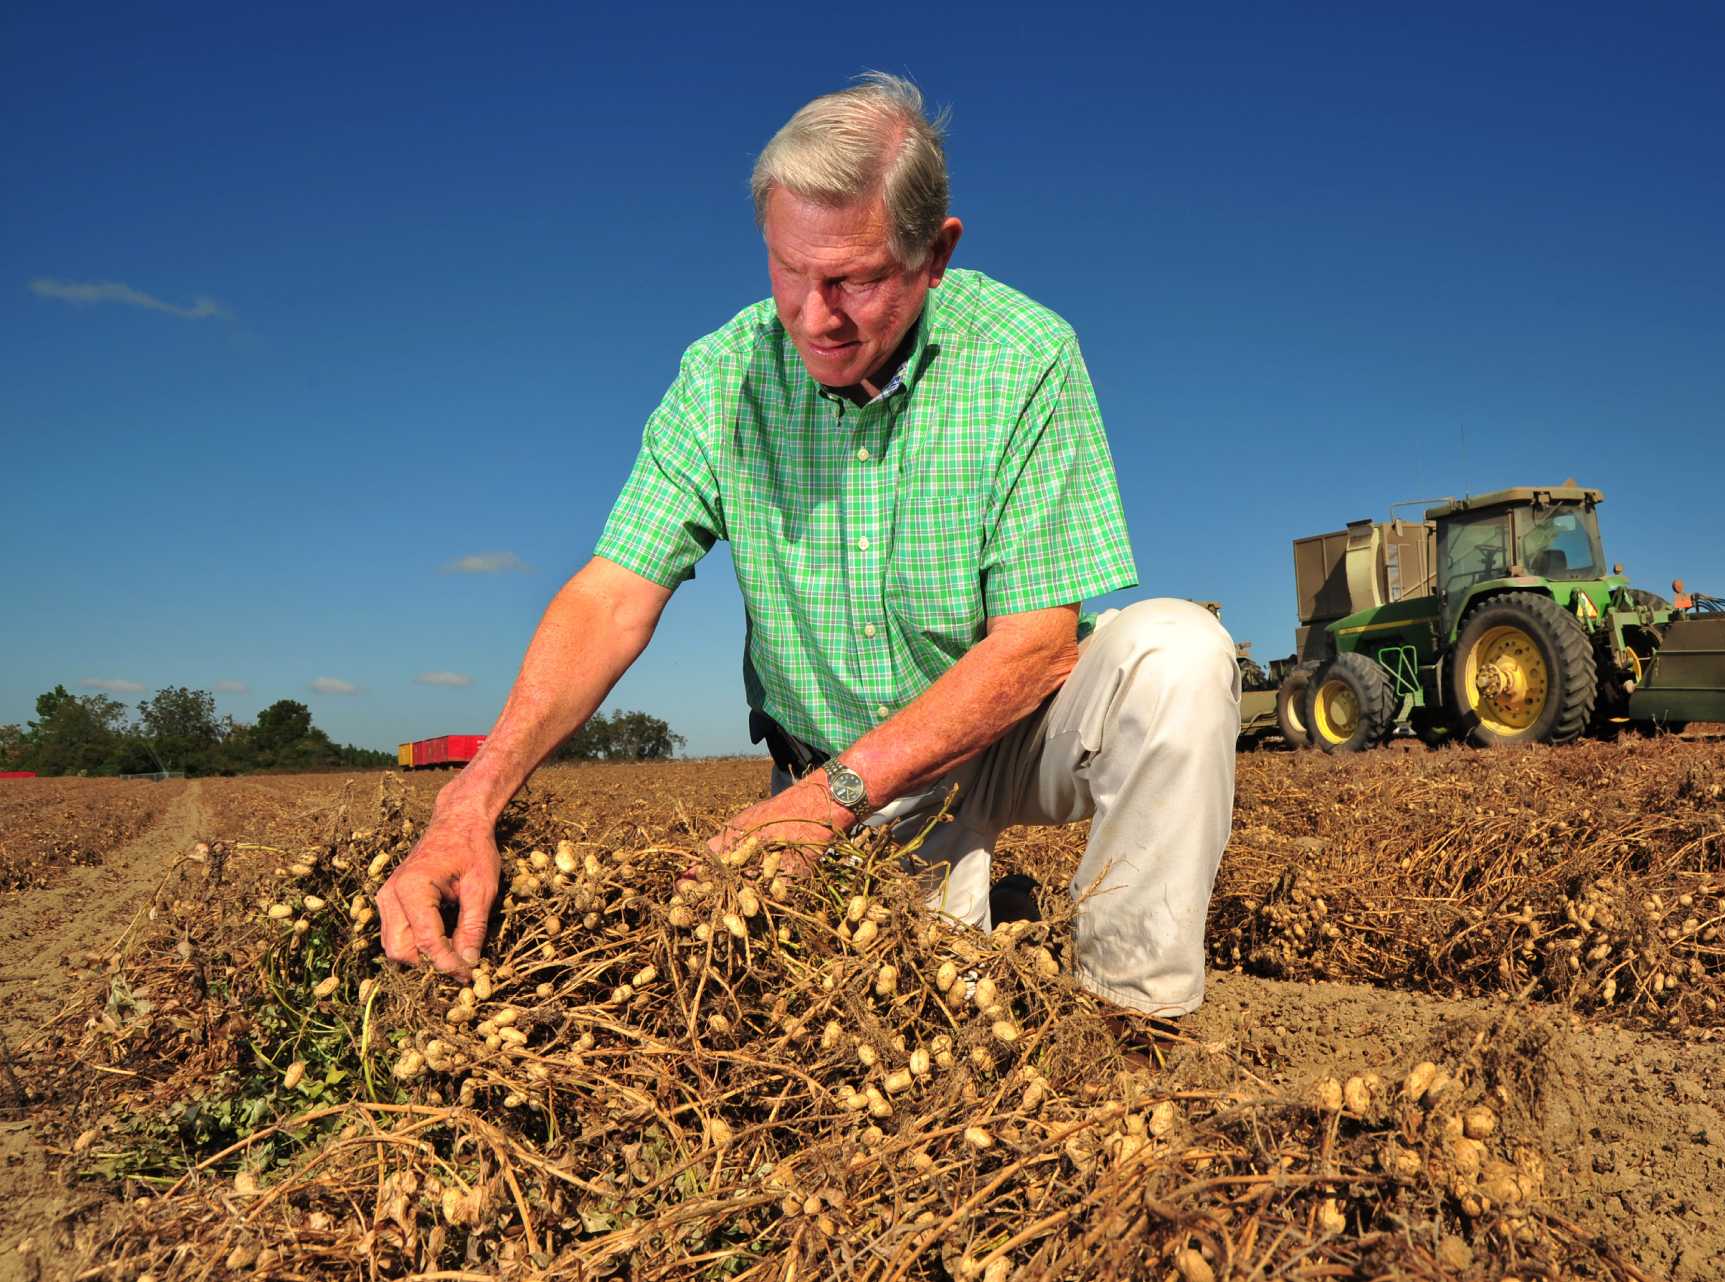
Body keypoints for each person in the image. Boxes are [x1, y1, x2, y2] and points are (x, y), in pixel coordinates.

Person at [377, 73, 1239, 1016]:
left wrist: (827, 799)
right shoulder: (722, 379)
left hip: (996, 731)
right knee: (910, 1017)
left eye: (856, 280)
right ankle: (989, 911)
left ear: (936, 254)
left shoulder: (1024, 355)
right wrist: (474, 795)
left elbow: (1035, 646)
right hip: (842, 770)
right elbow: (610, 596)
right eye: (792, 272)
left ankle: (1133, 1018)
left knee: (1179, 656)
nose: (816, 317)